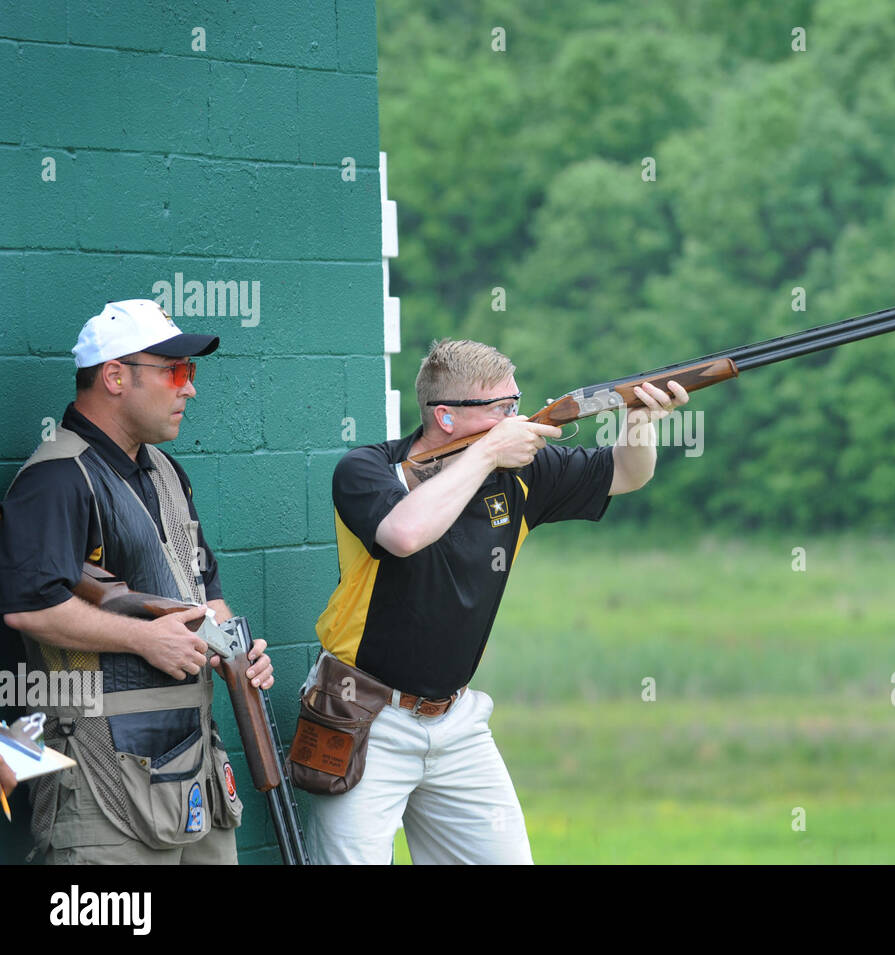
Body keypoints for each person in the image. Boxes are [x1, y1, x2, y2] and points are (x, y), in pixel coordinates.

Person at [307, 338, 687, 864]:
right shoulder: (367, 468)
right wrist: (488, 453)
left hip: (457, 718)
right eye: (501, 409)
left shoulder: (522, 472)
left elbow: (627, 474)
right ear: (445, 415)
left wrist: (640, 419)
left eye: (516, 402)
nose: (518, 418)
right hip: (363, 712)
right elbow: (404, 533)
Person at [0, 299, 273, 864]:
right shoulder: (56, 478)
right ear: (115, 376)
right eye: (175, 371)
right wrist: (144, 638)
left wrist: (236, 652)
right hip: (100, 780)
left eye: (190, 372)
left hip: (189, 766)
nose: (189, 388)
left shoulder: (167, 470)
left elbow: (205, 594)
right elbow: (29, 608)